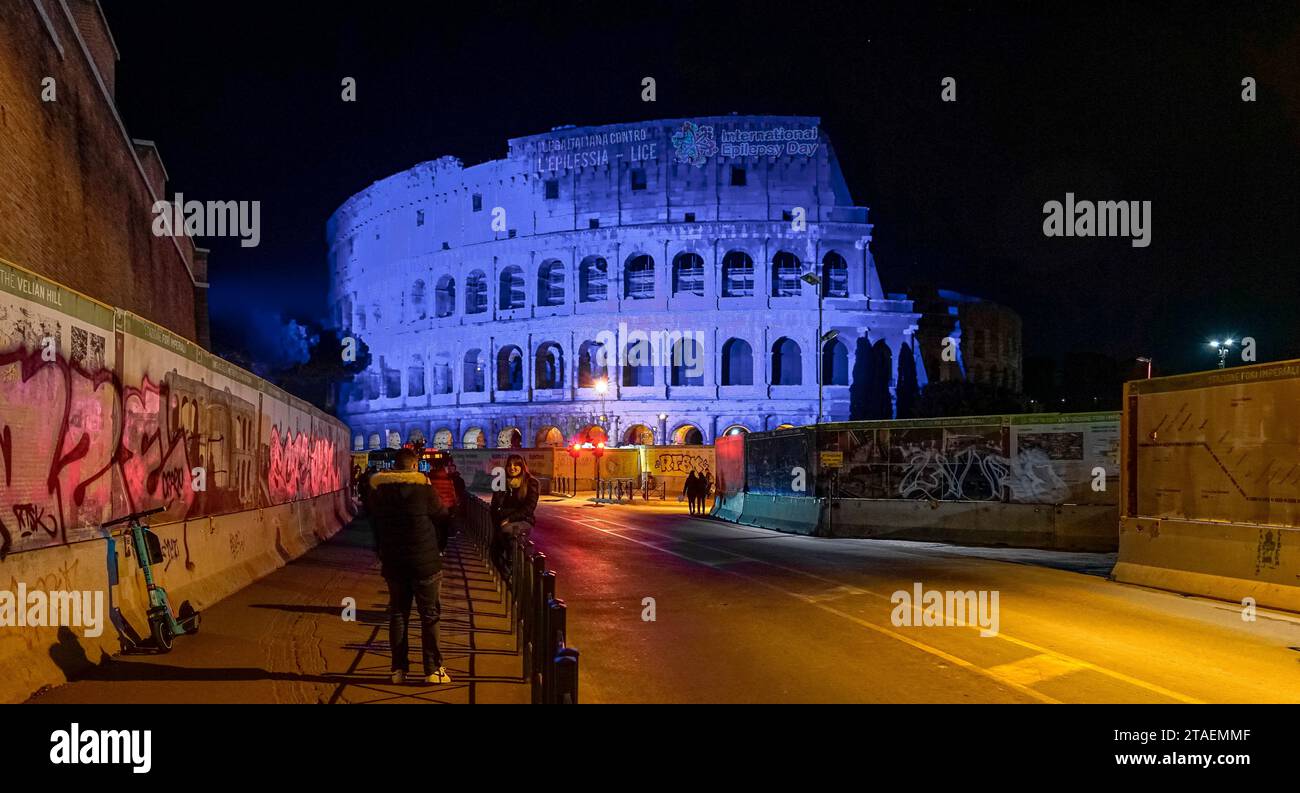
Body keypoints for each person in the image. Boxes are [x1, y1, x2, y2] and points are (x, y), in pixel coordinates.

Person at [364, 448, 452, 686]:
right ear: (415, 466)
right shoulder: (424, 490)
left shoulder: (379, 492)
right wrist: (439, 545)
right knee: (430, 616)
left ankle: (398, 670)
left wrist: (380, 550)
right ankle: (433, 670)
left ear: (394, 466)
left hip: (394, 562)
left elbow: (372, 522)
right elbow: (443, 517)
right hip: (425, 563)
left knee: (399, 615)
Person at [489, 454, 539, 577]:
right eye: (509, 465)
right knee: (494, 553)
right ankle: (508, 577)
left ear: (522, 466)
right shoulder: (501, 482)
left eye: (516, 464)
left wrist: (509, 518)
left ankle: (515, 568)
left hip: (523, 520)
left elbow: (529, 508)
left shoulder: (531, 482)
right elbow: (495, 504)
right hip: (503, 521)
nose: (512, 467)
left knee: (508, 536)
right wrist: (498, 517)